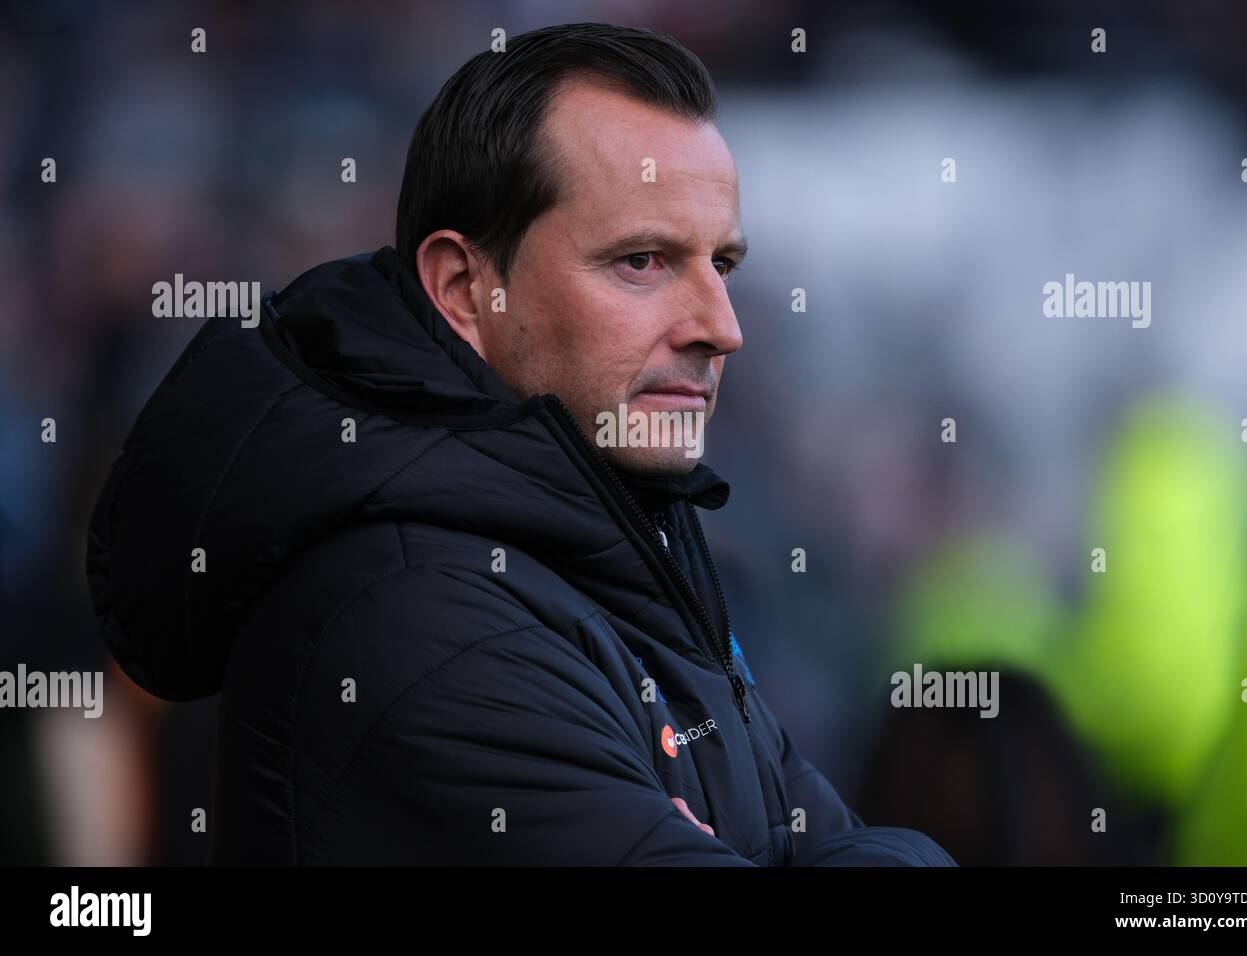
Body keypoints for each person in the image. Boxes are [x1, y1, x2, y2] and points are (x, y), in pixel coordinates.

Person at [86, 21, 955, 866]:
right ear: (465, 289)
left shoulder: (619, 545)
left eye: (720, 265)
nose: (720, 327)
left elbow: (821, 829)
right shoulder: (418, 622)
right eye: (643, 261)